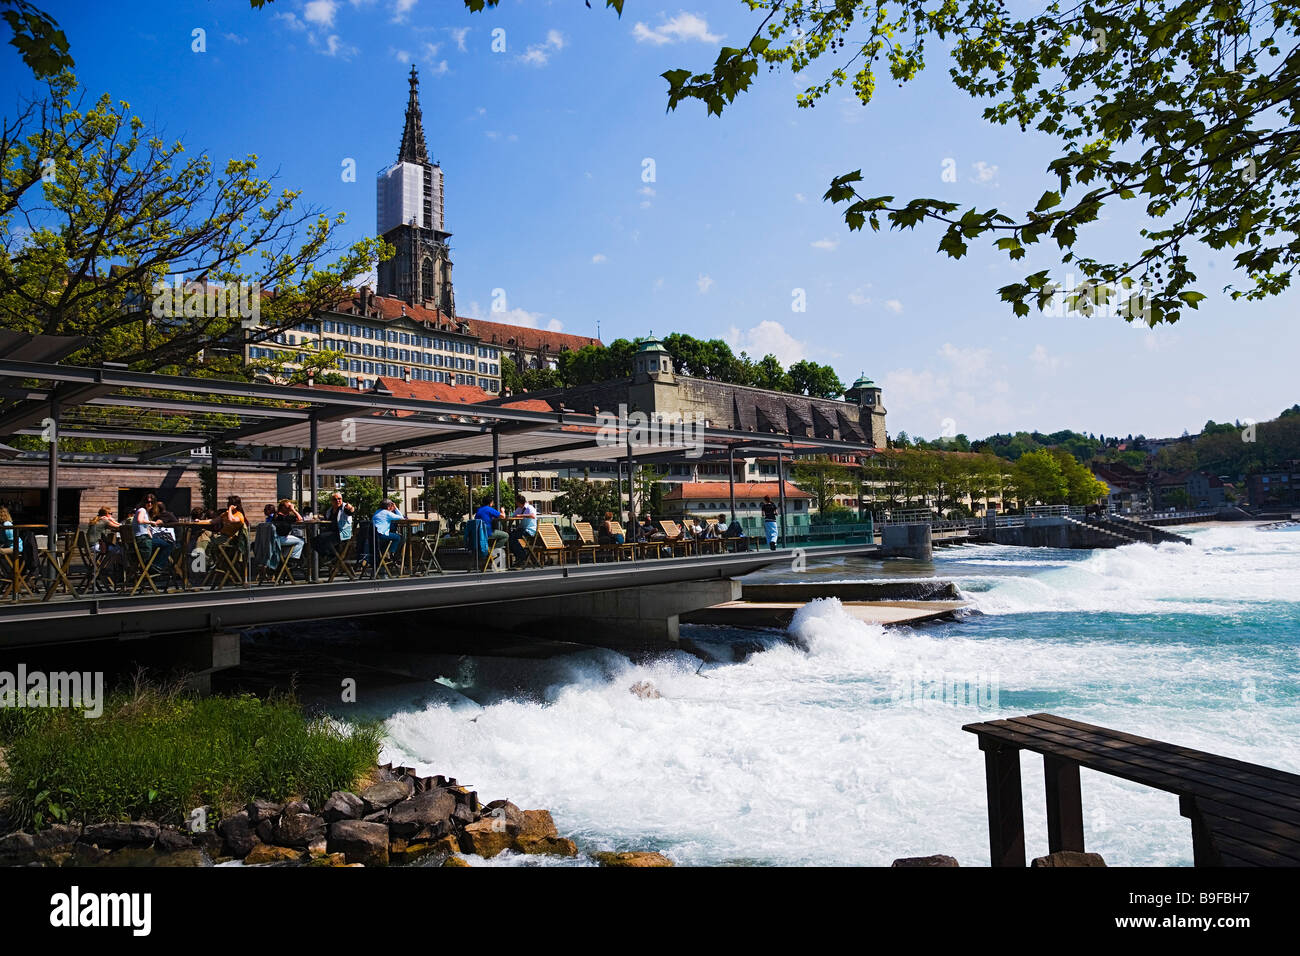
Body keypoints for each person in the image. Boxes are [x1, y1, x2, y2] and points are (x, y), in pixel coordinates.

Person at [314, 491, 355, 559]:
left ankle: (330, 556)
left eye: (339, 499)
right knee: (313, 540)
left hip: (342, 533)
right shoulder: (330, 510)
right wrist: (318, 516)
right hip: (332, 532)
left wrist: (351, 508)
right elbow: (325, 517)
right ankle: (329, 556)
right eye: (335, 499)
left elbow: (350, 512)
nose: (337, 501)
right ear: (331, 501)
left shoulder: (344, 507)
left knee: (321, 537)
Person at [271, 498, 305, 569]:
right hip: (280, 539)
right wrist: (293, 510)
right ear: (283, 507)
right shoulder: (285, 517)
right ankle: (292, 560)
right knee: (301, 541)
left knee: (291, 540)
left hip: (275, 539)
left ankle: (285, 558)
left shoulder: (276, 515)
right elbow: (300, 519)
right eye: (288, 507)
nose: (289, 508)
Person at [372, 498, 405, 565]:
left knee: (392, 537)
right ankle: (391, 554)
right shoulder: (387, 513)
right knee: (399, 537)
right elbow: (401, 517)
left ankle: (388, 554)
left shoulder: (377, 511)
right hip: (381, 535)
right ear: (389, 506)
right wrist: (395, 508)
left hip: (374, 535)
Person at [508, 495, 538, 567]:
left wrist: (522, 516)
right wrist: (509, 526)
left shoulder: (530, 508)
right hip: (522, 529)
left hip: (529, 530)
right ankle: (520, 556)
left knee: (513, 537)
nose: (516, 504)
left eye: (516, 502)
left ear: (519, 502)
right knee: (509, 537)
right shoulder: (519, 509)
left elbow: (533, 516)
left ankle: (522, 556)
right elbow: (514, 516)